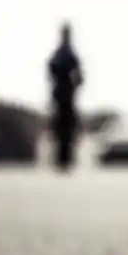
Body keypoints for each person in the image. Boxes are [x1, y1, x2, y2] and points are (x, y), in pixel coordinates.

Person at [47, 23, 84, 170]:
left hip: (66, 93)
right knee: (62, 127)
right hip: (63, 93)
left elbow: (79, 74)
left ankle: (65, 158)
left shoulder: (66, 53)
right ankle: (62, 158)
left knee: (67, 127)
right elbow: (51, 70)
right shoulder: (62, 53)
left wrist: (76, 83)